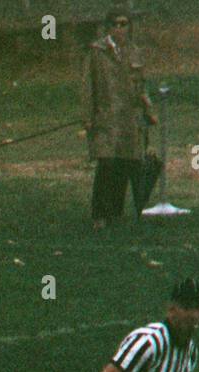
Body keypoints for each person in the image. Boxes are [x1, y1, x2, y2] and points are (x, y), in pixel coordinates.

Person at [82, 6, 156, 230]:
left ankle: (116, 211)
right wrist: (87, 116)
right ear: (108, 27)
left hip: (130, 118)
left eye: (124, 24)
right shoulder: (97, 52)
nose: (120, 28)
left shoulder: (134, 52)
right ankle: (99, 213)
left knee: (127, 164)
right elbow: (87, 86)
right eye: (116, 24)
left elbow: (142, 85)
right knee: (106, 164)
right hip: (106, 117)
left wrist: (148, 111)